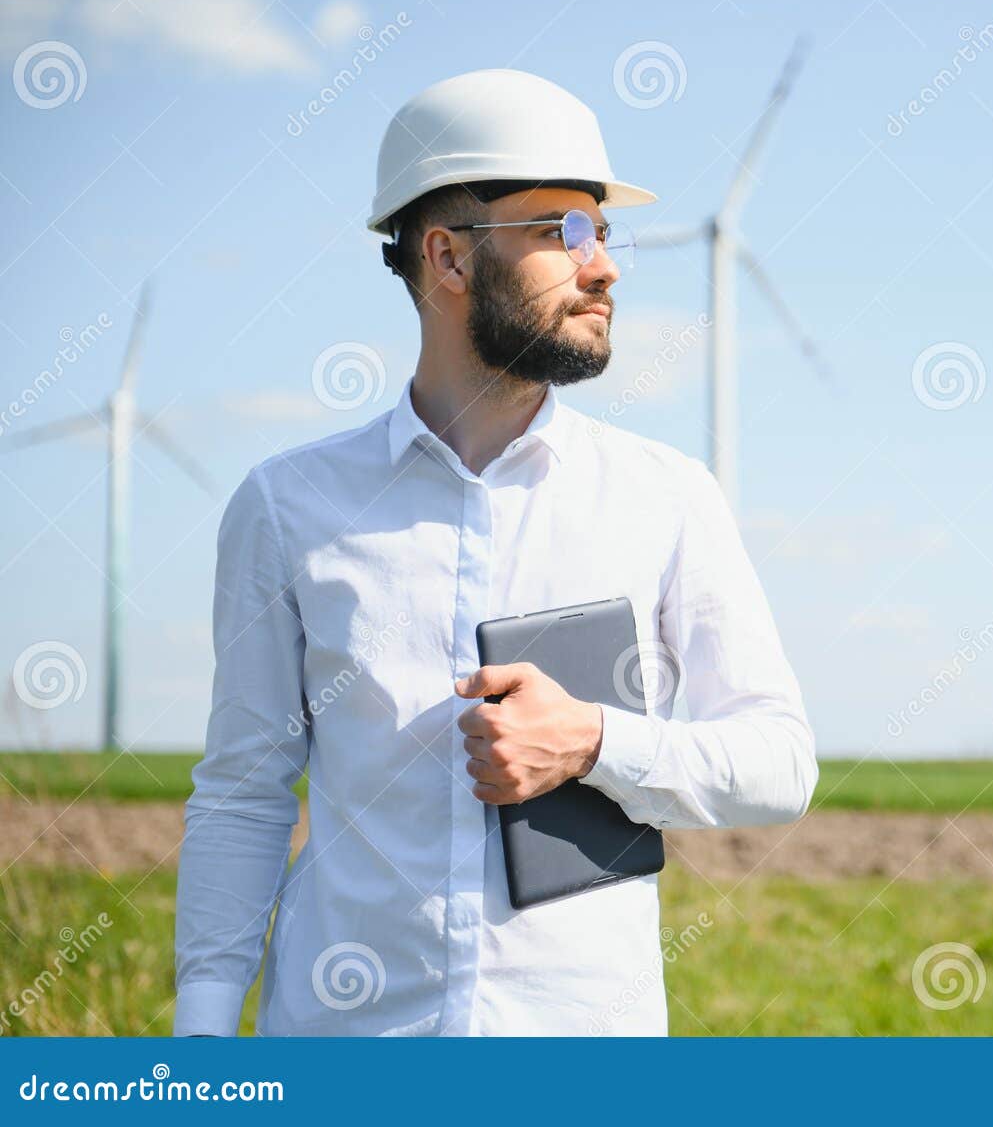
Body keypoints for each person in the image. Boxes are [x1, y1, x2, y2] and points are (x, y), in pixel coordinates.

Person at [174, 69, 817, 1036]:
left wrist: (598, 740)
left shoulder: (668, 496)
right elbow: (242, 793)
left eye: (602, 233)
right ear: (447, 258)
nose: (602, 267)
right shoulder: (286, 506)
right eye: (562, 232)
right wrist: (202, 1041)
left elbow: (780, 765)